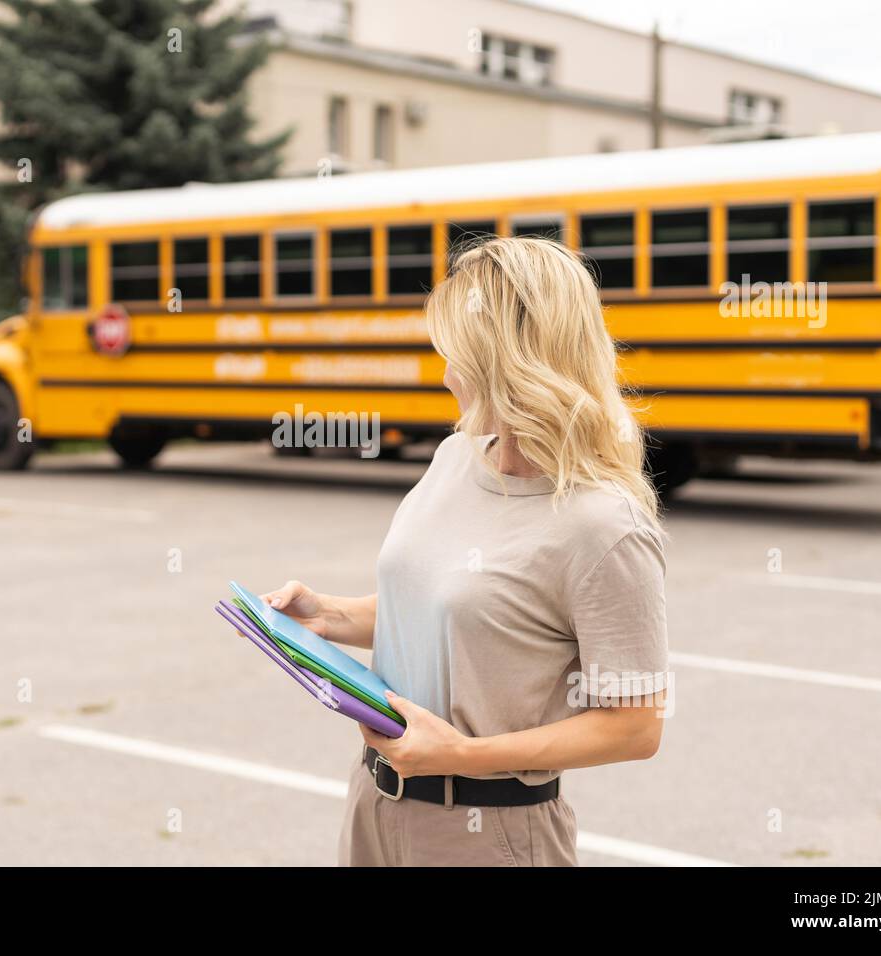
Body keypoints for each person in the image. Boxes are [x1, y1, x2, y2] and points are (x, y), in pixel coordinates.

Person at [263, 236, 669, 867]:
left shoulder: (603, 525)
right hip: (374, 802)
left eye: (456, 354)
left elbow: (636, 727)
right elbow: (448, 603)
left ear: (506, 363)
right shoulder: (453, 459)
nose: (445, 370)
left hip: (488, 833)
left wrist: (460, 756)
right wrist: (327, 616)